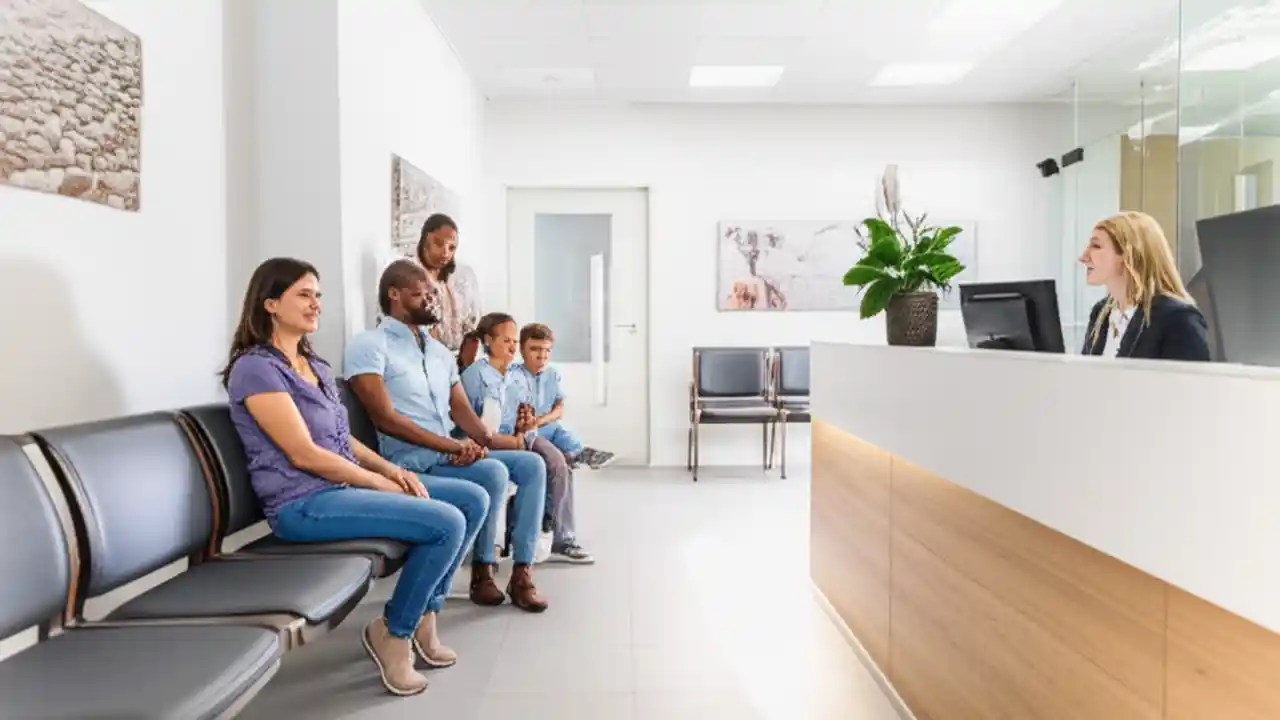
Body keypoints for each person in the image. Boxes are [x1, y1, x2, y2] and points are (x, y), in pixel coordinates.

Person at [222, 257, 480, 697]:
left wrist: (391, 470)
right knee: (446, 522)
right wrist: (378, 484)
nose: (316, 304)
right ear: (270, 303)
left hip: (340, 489)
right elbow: (304, 454)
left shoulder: (315, 366)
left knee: (471, 499)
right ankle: (394, 633)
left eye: (318, 295)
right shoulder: (256, 368)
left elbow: (344, 440)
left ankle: (424, 615)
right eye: (304, 294)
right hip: (302, 504)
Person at [344, 260, 550, 613]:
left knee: (532, 464)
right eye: (421, 294)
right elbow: (385, 419)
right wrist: (453, 446)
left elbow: (461, 413)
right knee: (494, 472)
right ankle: (483, 570)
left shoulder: (439, 353)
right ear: (394, 294)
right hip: (407, 461)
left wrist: (503, 438)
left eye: (432, 294)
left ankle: (521, 573)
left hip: (446, 454)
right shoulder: (369, 346)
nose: (432, 301)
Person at [463, 315, 594, 565]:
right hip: (491, 443)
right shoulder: (477, 375)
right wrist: (515, 439)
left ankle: (540, 541)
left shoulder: (515, 378)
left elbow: (522, 414)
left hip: (521, 437)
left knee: (557, 464)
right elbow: (468, 423)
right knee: (546, 464)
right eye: (508, 341)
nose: (512, 347)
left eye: (514, 341)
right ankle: (524, 541)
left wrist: (525, 425)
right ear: (489, 341)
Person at [1078, 211, 1211, 361]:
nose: (1083, 257)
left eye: (1096, 246)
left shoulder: (1178, 318)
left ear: (1129, 253)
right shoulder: (1101, 313)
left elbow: (1190, 383)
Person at [514, 323, 616, 470]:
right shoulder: (514, 376)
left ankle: (580, 454)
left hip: (546, 426)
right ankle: (570, 457)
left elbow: (560, 409)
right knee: (545, 439)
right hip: (525, 431)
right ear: (522, 350)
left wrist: (540, 420)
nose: (542, 355)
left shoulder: (552, 375)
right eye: (535, 349)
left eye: (547, 350)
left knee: (563, 434)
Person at [417, 213, 481, 353]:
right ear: (424, 241)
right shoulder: (410, 275)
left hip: (459, 359)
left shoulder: (464, 277)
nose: (445, 253)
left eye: (452, 247)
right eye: (439, 244)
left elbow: (473, 326)